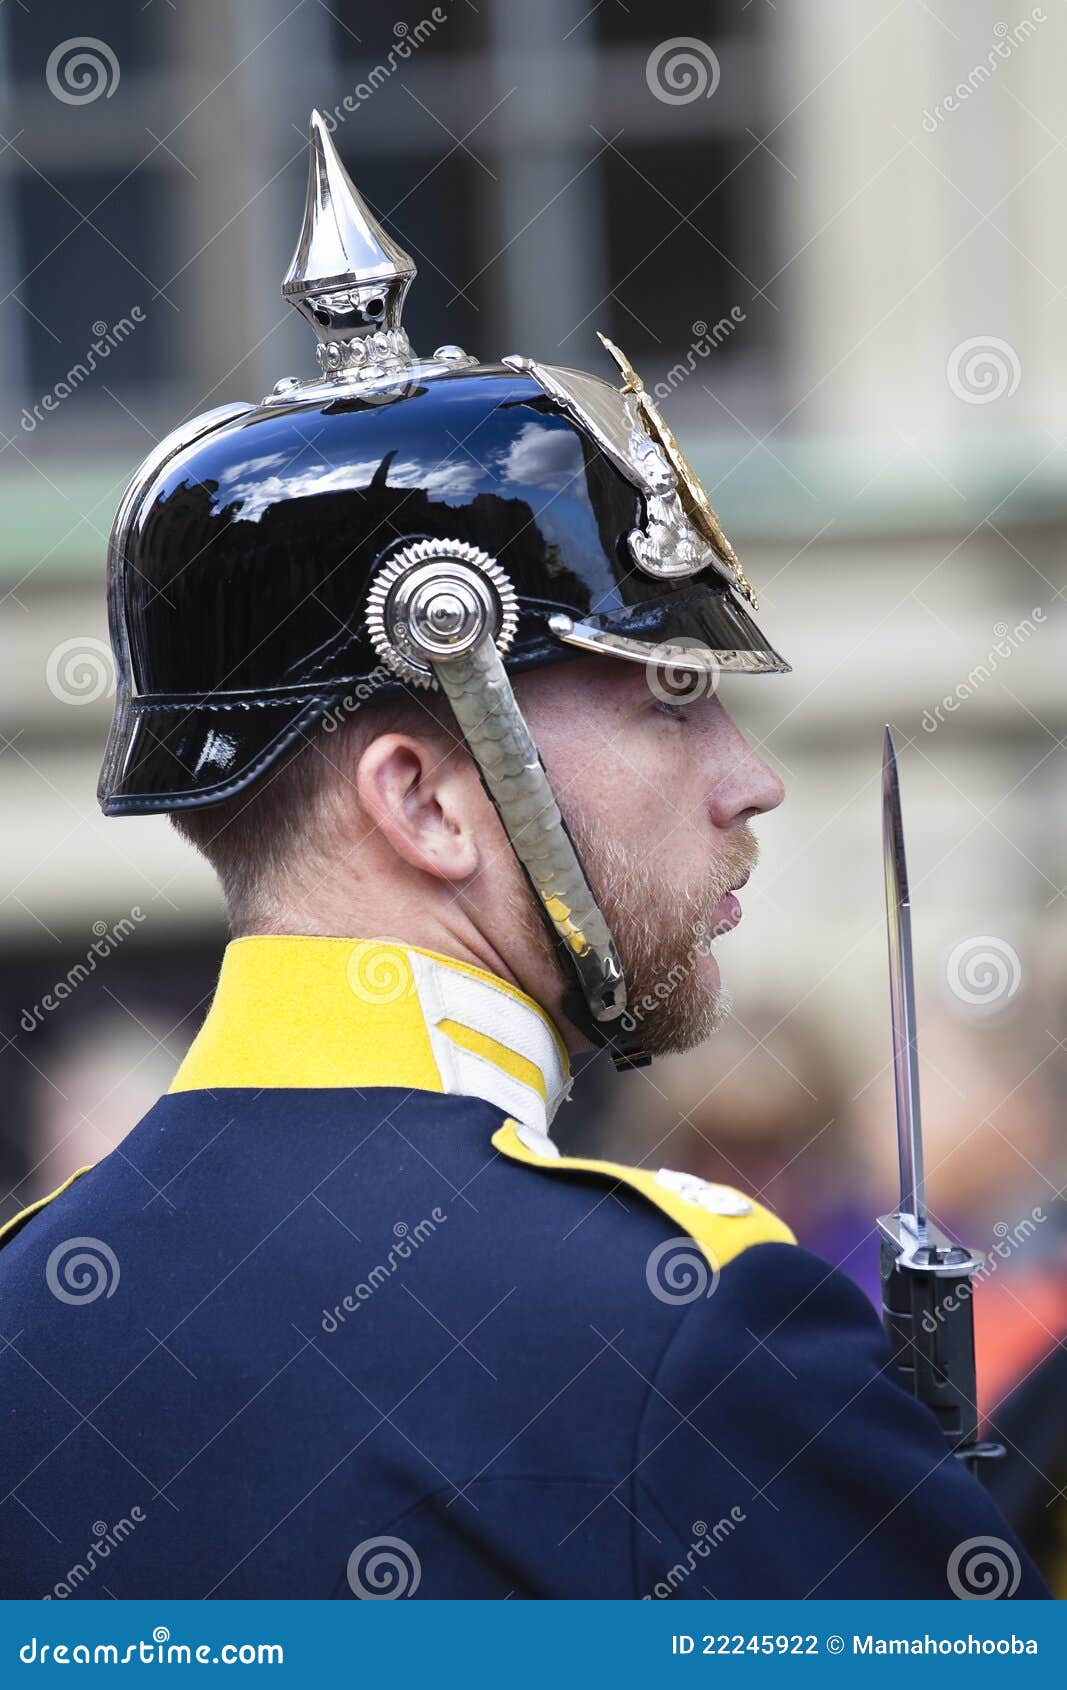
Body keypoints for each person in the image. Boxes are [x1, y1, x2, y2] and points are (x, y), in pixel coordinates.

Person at [0, 114, 1045, 1601]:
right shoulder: (695, 1322)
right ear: (423, 798)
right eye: (673, 697)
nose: (750, 781)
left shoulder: (25, 1313)